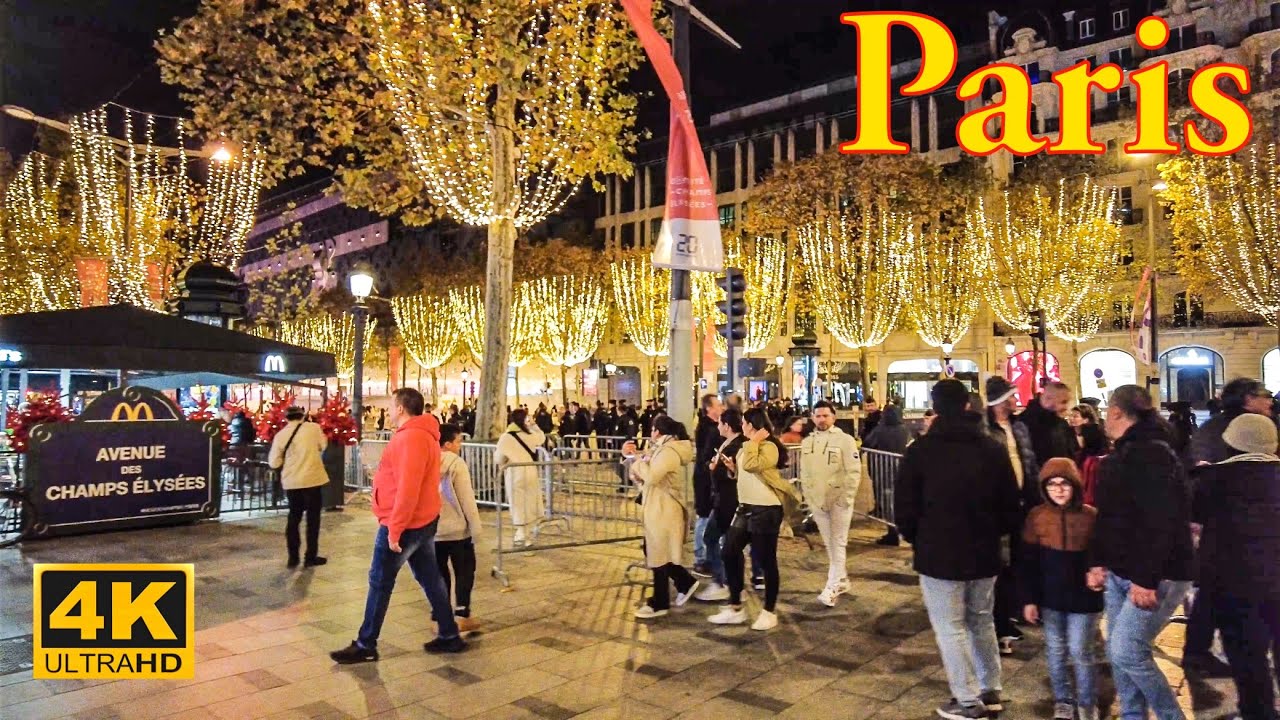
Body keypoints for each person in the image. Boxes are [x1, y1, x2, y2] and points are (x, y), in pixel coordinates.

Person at [897, 379, 1021, 719]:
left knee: (950, 625)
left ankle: (967, 699)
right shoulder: (992, 448)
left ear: (935, 408)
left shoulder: (921, 451)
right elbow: (1011, 505)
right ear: (967, 405)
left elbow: (905, 508)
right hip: (984, 552)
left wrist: (917, 538)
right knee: (981, 620)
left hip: (939, 553)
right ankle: (990, 688)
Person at [330, 389, 464, 663]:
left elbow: (408, 487)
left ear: (401, 408)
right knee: (429, 578)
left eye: (392, 405)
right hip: (422, 519)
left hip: (405, 523)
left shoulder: (412, 438)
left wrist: (395, 528)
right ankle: (449, 635)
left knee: (380, 580)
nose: (389, 410)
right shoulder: (423, 435)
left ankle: (367, 643)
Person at [1087, 385, 1194, 720]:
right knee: (1121, 654)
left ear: (1117, 412)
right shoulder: (1127, 451)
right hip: (1122, 572)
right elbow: (1110, 515)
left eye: (1107, 412)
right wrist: (1098, 561)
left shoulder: (1151, 453)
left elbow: (1159, 521)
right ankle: (1133, 715)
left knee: (1127, 651)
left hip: (1154, 575)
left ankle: (1170, 716)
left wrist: (1145, 579)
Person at [1193, 414, 1280, 720]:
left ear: (1230, 442)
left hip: (1234, 588)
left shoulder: (1212, 479)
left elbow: (1194, 521)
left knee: (1248, 658)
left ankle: (1259, 713)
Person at [1020, 458, 1104, 720]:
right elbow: (1028, 561)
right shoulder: (1037, 517)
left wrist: (1096, 569)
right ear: (1044, 488)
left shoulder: (1090, 516)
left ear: (1075, 486)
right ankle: (1063, 700)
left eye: (1064, 484)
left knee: (1081, 650)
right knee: (1055, 650)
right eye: (1052, 484)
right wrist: (1029, 599)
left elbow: (1101, 550)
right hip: (1051, 597)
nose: (1058, 489)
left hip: (1084, 597)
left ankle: (1087, 702)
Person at [707, 407, 798, 631]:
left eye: (746, 424)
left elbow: (752, 464)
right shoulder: (750, 446)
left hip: (766, 509)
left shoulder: (769, 447)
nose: (743, 427)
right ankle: (735, 605)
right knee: (729, 550)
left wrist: (754, 442)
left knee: (766, 560)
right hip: (745, 507)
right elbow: (745, 472)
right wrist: (732, 470)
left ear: (754, 426)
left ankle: (769, 611)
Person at [985, 376, 1040, 654]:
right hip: (998, 509)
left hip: (1022, 505)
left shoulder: (1019, 427)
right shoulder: (985, 430)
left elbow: (1029, 464)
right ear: (998, 401)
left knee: (1018, 562)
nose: (1016, 399)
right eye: (1011, 395)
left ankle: (1009, 617)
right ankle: (998, 623)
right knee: (1001, 566)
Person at [629, 415, 699, 618]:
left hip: (665, 509)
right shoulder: (663, 450)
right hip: (658, 507)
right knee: (656, 551)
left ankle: (660, 601)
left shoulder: (668, 452)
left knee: (658, 553)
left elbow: (652, 476)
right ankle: (683, 583)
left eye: (652, 430)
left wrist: (636, 459)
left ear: (657, 431)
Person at [799, 400, 860, 606]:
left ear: (833, 417)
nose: (821, 419)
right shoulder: (808, 442)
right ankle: (841, 579)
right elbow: (804, 472)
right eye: (818, 415)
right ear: (812, 418)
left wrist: (846, 498)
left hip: (838, 501)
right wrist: (808, 496)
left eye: (825, 415)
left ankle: (832, 586)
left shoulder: (845, 440)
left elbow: (853, 472)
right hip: (818, 502)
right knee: (830, 543)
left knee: (838, 542)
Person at [695, 407, 746, 603]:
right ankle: (730, 584)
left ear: (726, 425)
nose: (718, 426)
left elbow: (729, 475)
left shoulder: (736, 446)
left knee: (714, 538)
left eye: (720, 423)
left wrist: (714, 468)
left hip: (728, 501)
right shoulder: (729, 443)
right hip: (724, 500)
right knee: (730, 545)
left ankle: (724, 582)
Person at [435, 423, 483, 633]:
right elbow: (466, 499)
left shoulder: (425, 460)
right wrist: (476, 528)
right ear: (448, 443)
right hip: (457, 529)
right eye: (458, 441)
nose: (460, 445)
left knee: (439, 573)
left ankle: (440, 614)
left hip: (433, 530)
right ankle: (462, 612)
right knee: (464, 571)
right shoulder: (457, 464)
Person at [268, 406, 329, 569]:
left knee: (294, 518)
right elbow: (323, 445)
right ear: (302, 416)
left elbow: (274, 462)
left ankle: (293, 558)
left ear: (286, 418)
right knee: (313, 520)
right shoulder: (314, 428)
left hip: (292, 482)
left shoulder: (281, 435)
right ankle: (310, 556)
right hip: (313, 480)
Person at [1190, 377, 1275, 465]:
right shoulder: (1260, 426)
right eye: (1266, 397)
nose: (1270, 402)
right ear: (1249, 399)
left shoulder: (1210, 426)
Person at [494, 408, 547, 547]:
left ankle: (522, 534)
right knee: (530, 501)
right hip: (530, 471)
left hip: (515, 472)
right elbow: (542, 437)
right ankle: (526, 533)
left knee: (518, 503)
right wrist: (534, 425)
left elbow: (498, 458)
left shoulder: (506, 437)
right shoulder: (529, 435)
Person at [864, 404, 909, 547]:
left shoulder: (880, 430)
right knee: (897, 501)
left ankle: (892, 532)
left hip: (883, 470)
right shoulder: (904, 430)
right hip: (900, 470)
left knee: (887, 501)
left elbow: (867, 444)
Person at [692, 394, 723, 577]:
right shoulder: (709, 429)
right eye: (718, 405)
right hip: (705, 479)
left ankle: (707, 556)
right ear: (709, 408)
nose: (721, 408)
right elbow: (707, 455)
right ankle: (701, 558)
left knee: (707, 517)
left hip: (707, 478)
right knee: (703, 517)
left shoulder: (709, 427)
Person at [1017, 381, 1077, 469]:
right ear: (1048, 398)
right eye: (1063, 402)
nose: (1066, 407)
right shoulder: (1024, 423)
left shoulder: (1062, 424)